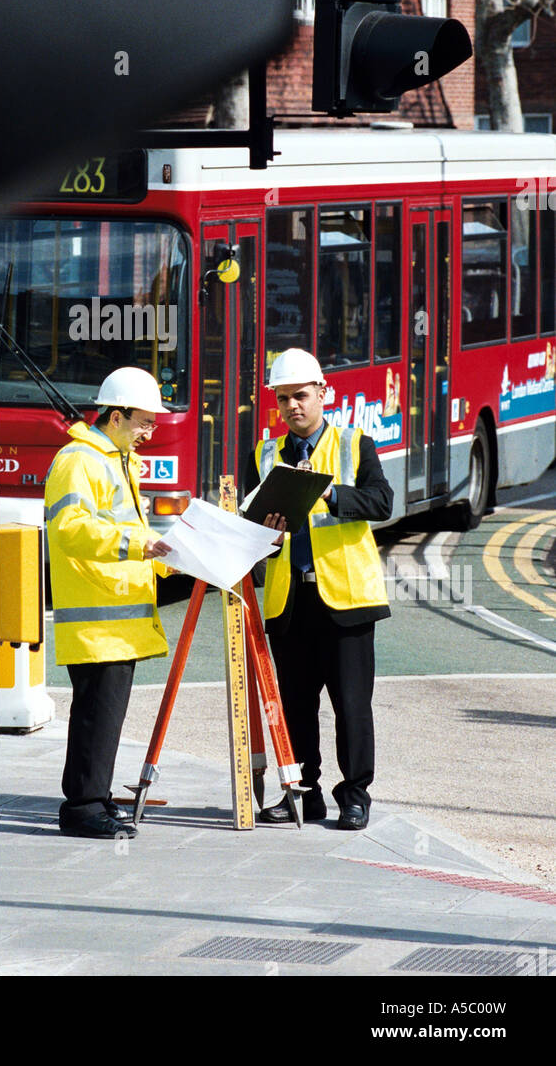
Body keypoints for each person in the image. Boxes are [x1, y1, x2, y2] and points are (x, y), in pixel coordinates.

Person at [245, 349, 393, 831]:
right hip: (291, 603)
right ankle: (300, 795)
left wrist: (329, 492)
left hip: (347, 601)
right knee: (294, 707)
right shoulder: (265, 456)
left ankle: (354, 796)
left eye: (301, 396)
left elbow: (382, 502)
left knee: (351, 707)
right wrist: (263, 530)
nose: (292, 406)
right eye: (283, 398)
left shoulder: (355, 445)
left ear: (323, 393)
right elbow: (255, 534)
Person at [45, 366, 173, 839]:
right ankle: (82, 807)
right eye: (144, 422)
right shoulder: (81, 460)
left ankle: (94, 799)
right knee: (96, 716)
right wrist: (139, 547)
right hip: (98, 619)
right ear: (115, 416)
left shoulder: (111, 459)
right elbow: (70, 529)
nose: (149, 432)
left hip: (112, 620)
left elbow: (128, 533)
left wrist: (164, 560)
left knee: (103, 717)